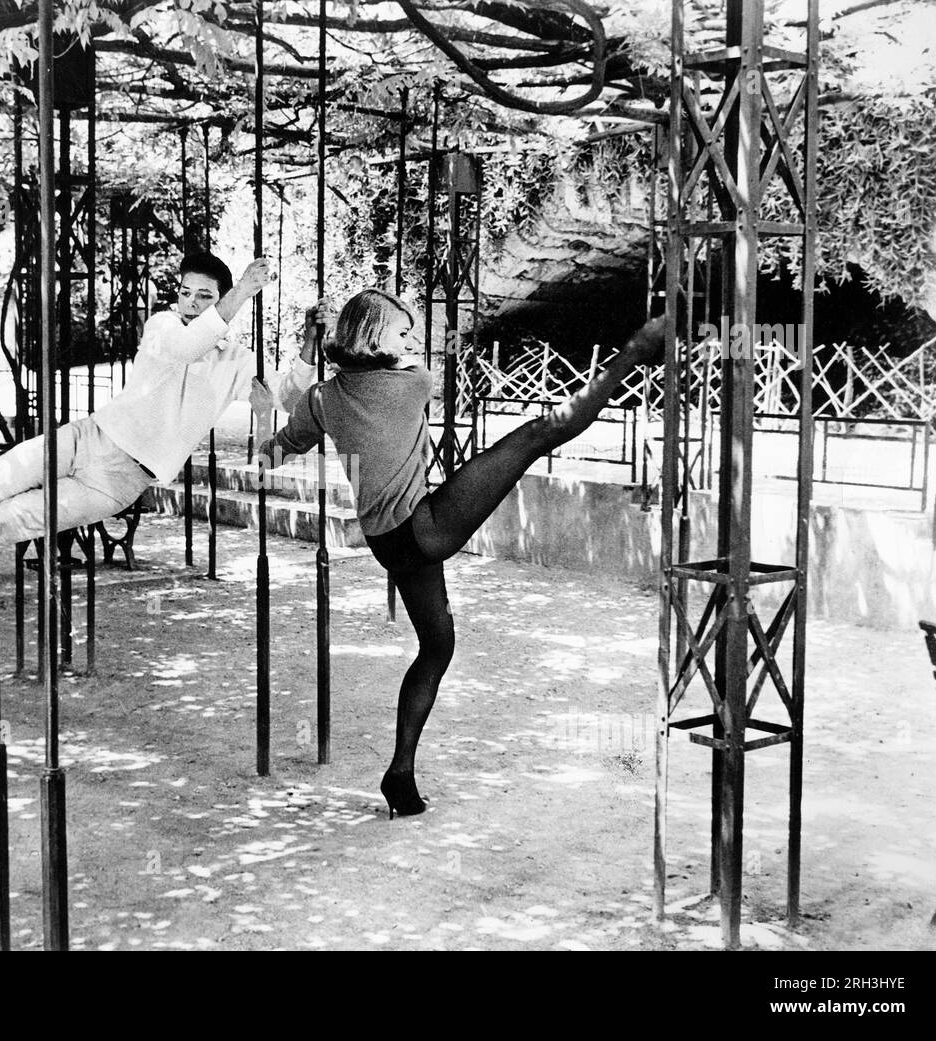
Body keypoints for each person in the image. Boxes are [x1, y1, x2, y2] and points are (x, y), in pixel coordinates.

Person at [256, 289, 667, 819]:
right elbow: (381, 375)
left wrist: (272, 439)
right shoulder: (411, 384)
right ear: (374, 336)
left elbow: (289, 438)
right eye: (402, 332)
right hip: (423, 529)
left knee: (438, 643)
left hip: (389, 542)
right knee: (542, 433)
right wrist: (339, 336)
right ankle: (637, 348)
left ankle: (400, 775)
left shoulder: (321, 400)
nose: (411, 342)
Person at [0, 252, 319, 571]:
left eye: (205, 295)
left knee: (10, 521)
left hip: (121, 479)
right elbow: (189, 346)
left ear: (220, 299)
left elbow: (287, 398)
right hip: (90, 436)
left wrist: (310, 343)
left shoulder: (236, 357)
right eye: (186, 292)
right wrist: (238, 298)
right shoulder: (164, 327)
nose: (191, 303)